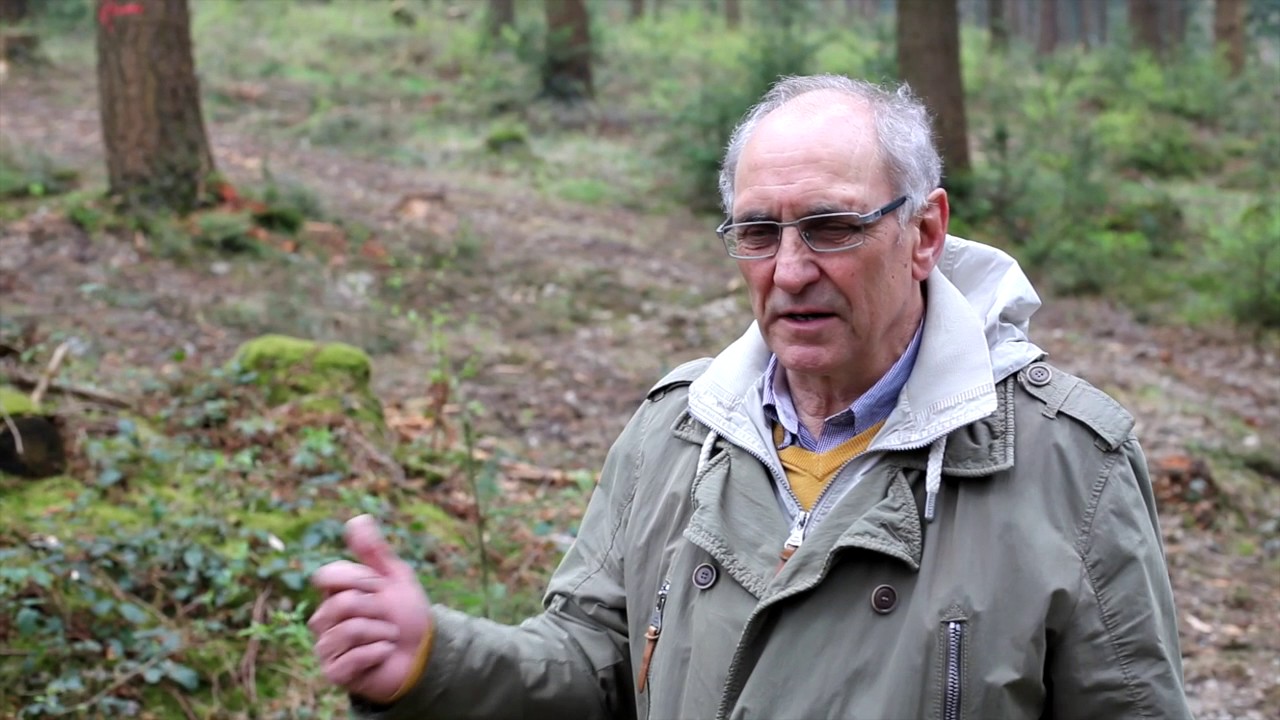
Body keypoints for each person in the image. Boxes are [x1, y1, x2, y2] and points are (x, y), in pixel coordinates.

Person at [307, 74, 1191, 719]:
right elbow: (588, 667)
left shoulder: (1070, 462)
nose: (792, 270)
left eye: (832, 226)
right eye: (759, 232)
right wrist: (433, 657)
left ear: (924, 232)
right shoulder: (676, 433)